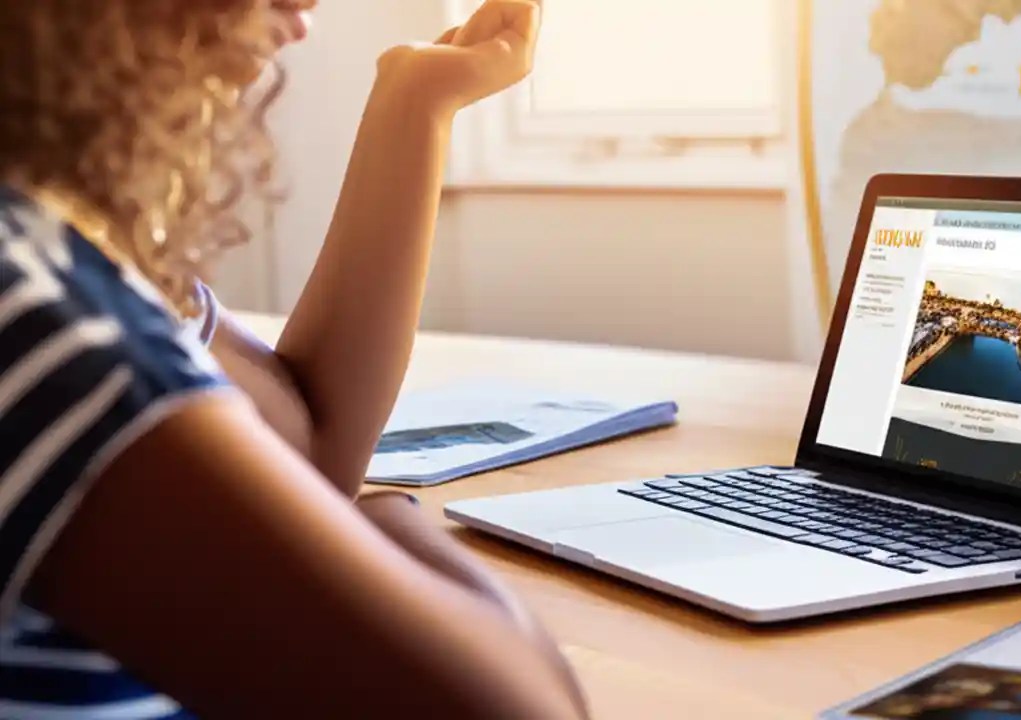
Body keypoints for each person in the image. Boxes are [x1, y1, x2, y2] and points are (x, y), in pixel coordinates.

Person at [0, 0, 589, 717]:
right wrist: (386, 528)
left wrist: (417, 102)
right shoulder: (33, 310)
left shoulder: (62, 247)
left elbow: (309, 448)